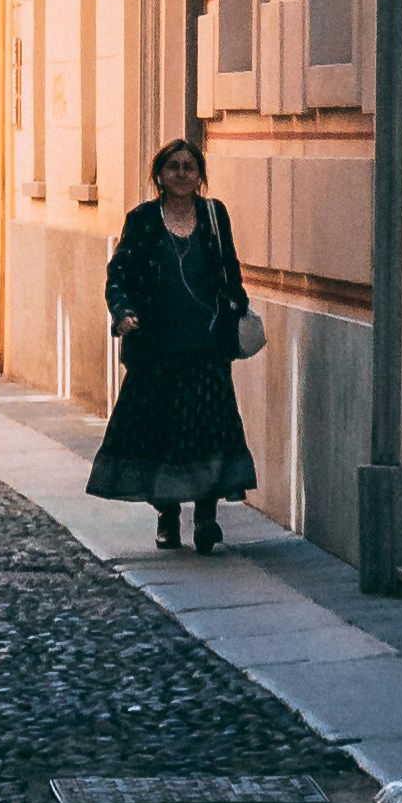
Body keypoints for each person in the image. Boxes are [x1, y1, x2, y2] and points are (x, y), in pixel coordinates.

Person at [87, 139, 260, 554]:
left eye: (190, 167)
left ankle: (206, 516)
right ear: (160, 176)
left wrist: (235, 307)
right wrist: (123, 311)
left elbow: (230, 271)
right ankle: (167, 516)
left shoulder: (215, 216)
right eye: (174, 167)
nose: (183, 173)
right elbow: (120, 272)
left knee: (208, 434)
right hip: (157, 351)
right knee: (159, 435)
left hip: (206, 350)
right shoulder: (143, 220)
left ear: (200, 175)